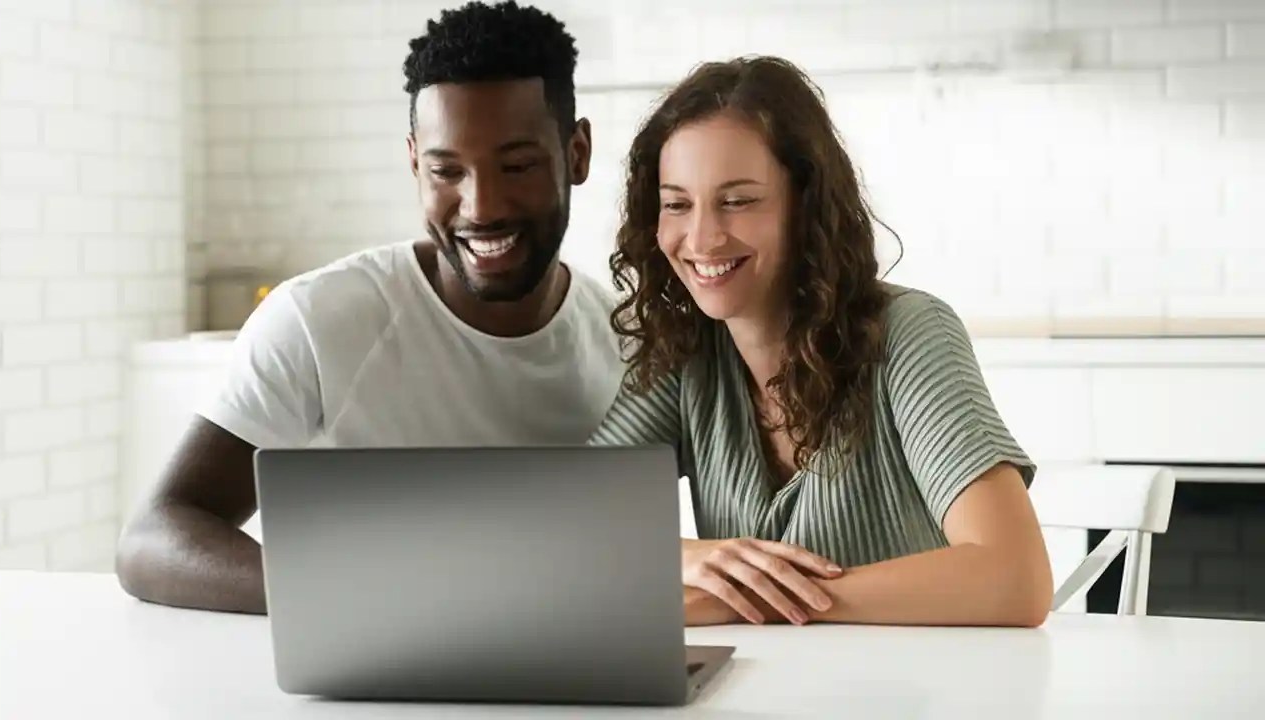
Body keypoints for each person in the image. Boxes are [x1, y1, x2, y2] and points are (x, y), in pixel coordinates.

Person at [116, 1, 624, 614]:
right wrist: (359, 598)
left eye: (516, 165)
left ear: (577, 153)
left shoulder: (625, 338)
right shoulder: (320, 317)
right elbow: (153, 536)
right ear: (414, 160)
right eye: (446, 171)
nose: (481, 206)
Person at [590, 56, 1053, 628]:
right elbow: (568, 529)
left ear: (804, 205)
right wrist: (686, 556)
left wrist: (744, 600)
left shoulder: (910, 332)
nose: (703, 238)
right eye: (677, 204)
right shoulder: (686, 354)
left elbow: (1017, 580)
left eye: (738, 200)